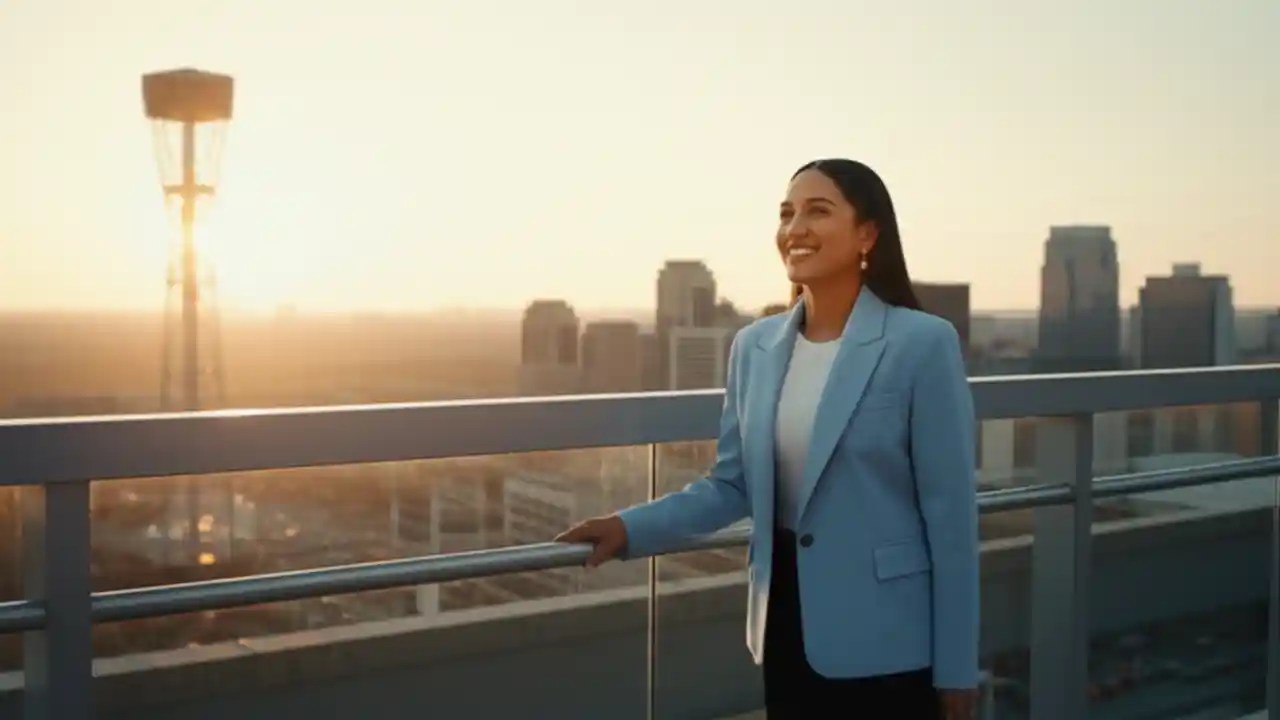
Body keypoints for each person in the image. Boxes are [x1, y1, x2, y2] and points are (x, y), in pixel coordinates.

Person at [556, 158, 979, 719]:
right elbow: (730, 485)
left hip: (889, 644)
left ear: (867, 233)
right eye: (787, 213)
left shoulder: (921, 343)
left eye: (817, 211)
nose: (795, 228)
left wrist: (956, 668)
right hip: (786, 628)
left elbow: (950, 522)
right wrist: (627, 528)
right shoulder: (754, 348)